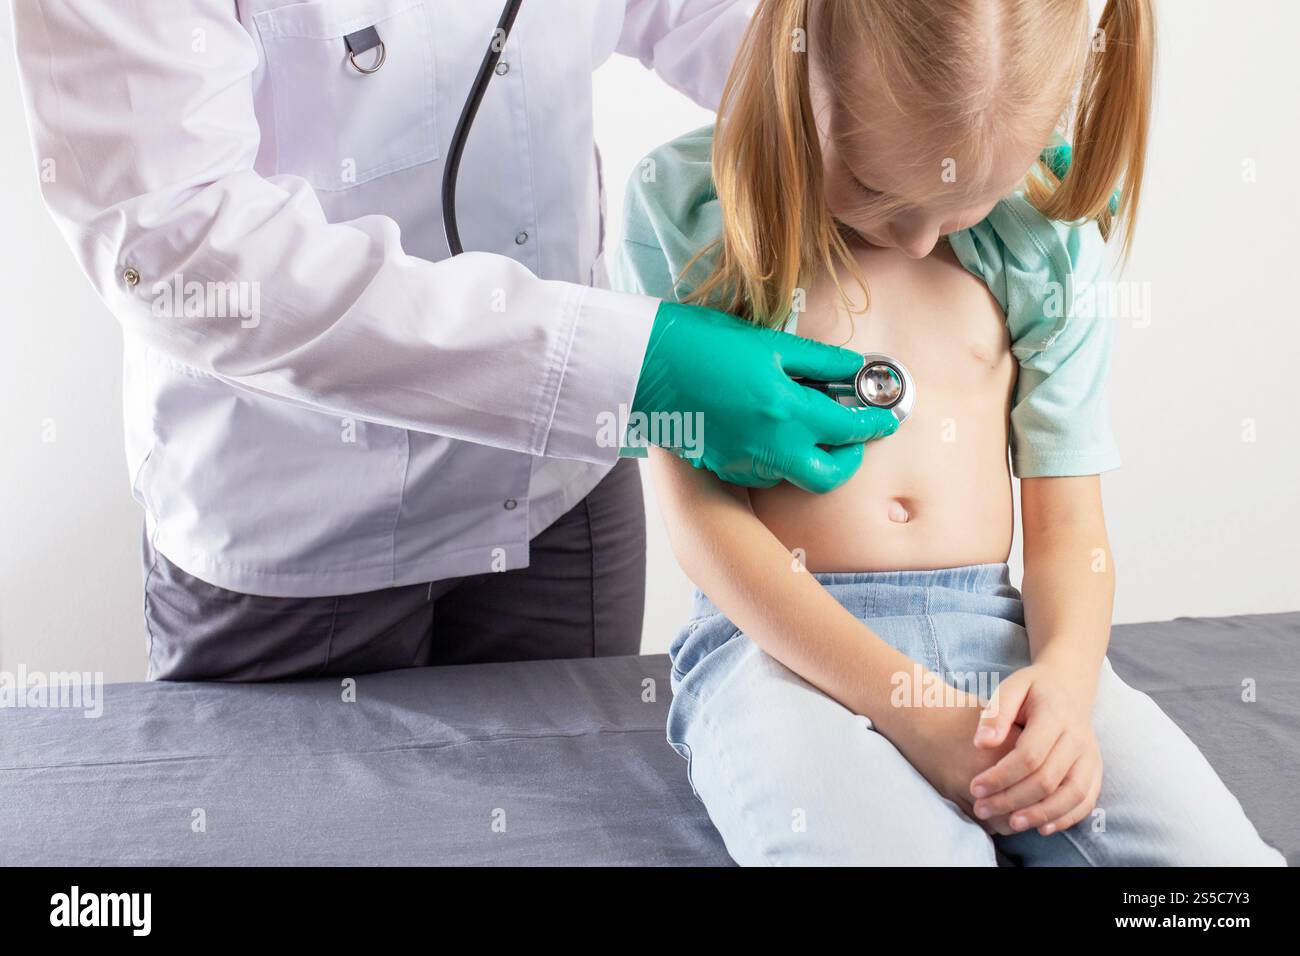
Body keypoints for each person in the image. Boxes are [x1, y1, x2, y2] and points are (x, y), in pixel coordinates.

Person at [11, 1, 894, 680]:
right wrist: (633, 371)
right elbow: (174, 240)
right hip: (295, 520)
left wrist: (919, 107)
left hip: (556, 496)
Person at [615, 0, 1286, 865]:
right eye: (878, 189)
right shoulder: (683, 214)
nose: (920, 235)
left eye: (966, 204)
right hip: (782, 654)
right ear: (804, 58)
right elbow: (704, 529)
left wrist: (1067, 687)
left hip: (1000, 640)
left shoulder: (1044, 233)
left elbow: (1068, 529)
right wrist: (919, 719)